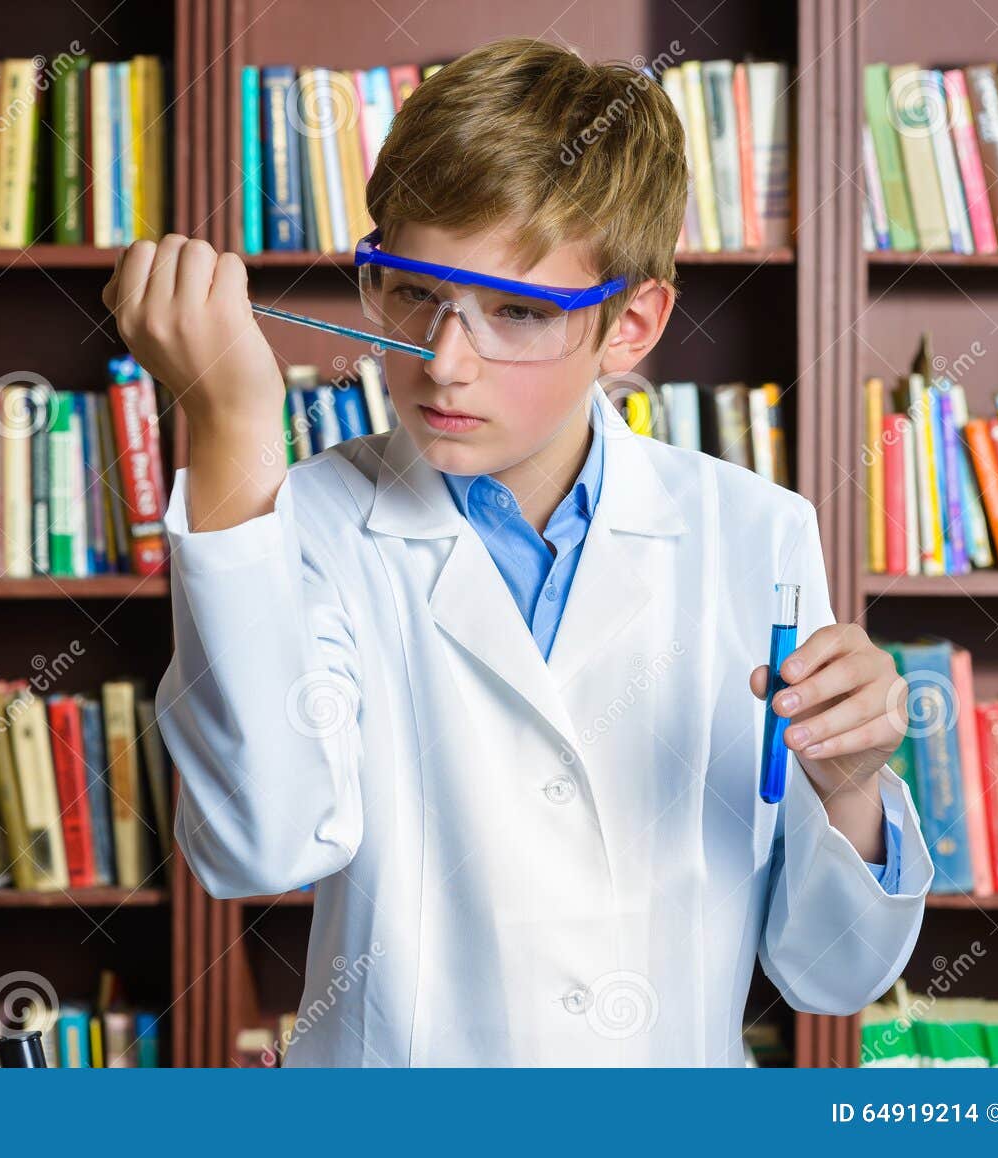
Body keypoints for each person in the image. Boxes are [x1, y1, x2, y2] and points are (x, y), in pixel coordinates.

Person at [103, 36, 932, 1066]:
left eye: (518, 313)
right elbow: (257, 845)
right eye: (411, 293)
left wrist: (848, 790)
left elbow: (832, 971)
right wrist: (228, 427)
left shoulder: (754, 533)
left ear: (630, 325)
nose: (444, 364)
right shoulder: (300, 520)